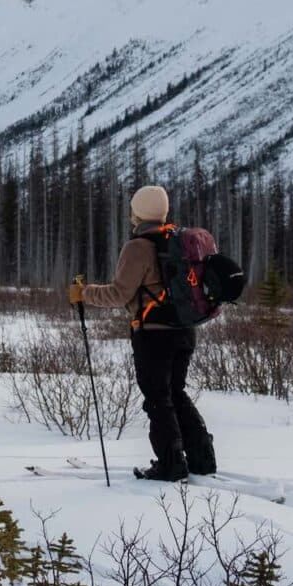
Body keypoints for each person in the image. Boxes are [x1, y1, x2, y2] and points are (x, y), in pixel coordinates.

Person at [68, 184, 216, 481]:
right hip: (185, 330)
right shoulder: (177, 242)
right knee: (176, 392)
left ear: (138, 212)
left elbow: (119, 294)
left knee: (158, 398)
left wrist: (85, 293)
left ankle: (171, 463)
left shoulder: (138, 247)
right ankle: (202, 457)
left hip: (153, 334)